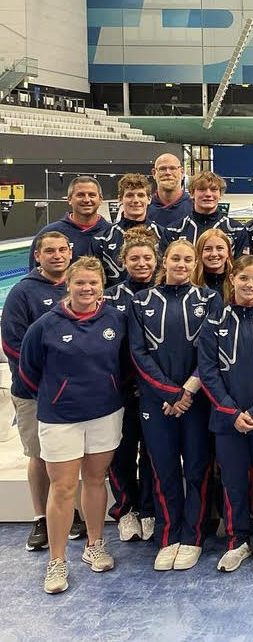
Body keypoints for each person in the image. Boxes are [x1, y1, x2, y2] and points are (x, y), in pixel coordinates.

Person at [19, 256, 127, 594]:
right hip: (60, 418)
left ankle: (94, 544)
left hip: (105, 412)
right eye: (80, 283)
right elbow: (27, 372)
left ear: (101, 287)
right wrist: (59, 394)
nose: (87, 288)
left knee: (95, 481)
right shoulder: (46, 326)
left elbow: (124, 363)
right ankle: (57, 560)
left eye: (93, 283)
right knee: (63, 488)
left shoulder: (116, 319)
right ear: (69, 284)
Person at [128, 239, 222, 572]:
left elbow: (211, 353)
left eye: (187, 259)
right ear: (163, 261)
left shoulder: (210, 299)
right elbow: (138, 354)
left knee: (197, 469)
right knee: (163, 469)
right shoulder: (141, 302)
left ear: (195, 263)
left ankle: (193, 535)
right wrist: (169, 393)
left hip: (195, 401)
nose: (181, 264)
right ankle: (169, 534)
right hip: (158, 402)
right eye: (175, 258)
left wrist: (187, 392)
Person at [198, 256, 253, 573]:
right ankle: (239, 540)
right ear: (232, 278)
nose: (250, 285)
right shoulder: (213, 321)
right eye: (244, 278)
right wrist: (231, 411)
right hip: (227, 419)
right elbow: (208, 373)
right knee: (233, 482)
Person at [2, 232, 81, 552]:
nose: (57, 256)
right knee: (38, 454)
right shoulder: (22, 292)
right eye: (49, 251)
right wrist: (45, 383)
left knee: (70, 455)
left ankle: (70, 512)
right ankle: (39, 517)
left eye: (63, 250)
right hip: (34, 391)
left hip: (75, 391)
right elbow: (12, 344)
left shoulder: (80, 285)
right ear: (37, 256)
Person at [102, 227, 159, 544]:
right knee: (121, 454)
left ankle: (149, 509)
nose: (141, 263)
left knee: (153, 453)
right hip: (120, 391)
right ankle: (126, 510)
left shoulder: (165, 294)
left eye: (147, 257)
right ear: (123, 261)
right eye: (134, 258)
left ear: (156, 260)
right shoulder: (110, 298)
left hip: (152, 390)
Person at [95, 173, 162, 286]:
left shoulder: (163, 234)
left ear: (149, 199)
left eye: (140, 195)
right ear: (120, 199)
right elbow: (96, 278)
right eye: (130, 195)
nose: (135, 200)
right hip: (114, 301)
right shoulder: (103, 239)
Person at [30, 176, 111, 268]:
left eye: (92, 195)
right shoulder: (49, 233)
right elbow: (35, 274)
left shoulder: (112, 233)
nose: (86, 200)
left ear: (100, 200)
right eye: (80, 195)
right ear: (69, 199)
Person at [161, 171, 247, 256]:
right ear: (191, 193)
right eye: (202, 189)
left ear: (220, 194)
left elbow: (242, 267)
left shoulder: (236, 230)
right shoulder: (174, 230)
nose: (208, 194)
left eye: (213, 190)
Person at [147, 153, 193, 228]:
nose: (167, 173)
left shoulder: (194, 207)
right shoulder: (144, 207)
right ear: (154, 173)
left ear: (182, 172)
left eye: (172, 168)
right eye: (162, 169)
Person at [191, 227, 233, 292]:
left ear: (228, 252)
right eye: (208, 249)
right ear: (199, 253)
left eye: (219, 248)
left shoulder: (238, 282)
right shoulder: (189, 284)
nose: (214, 254)